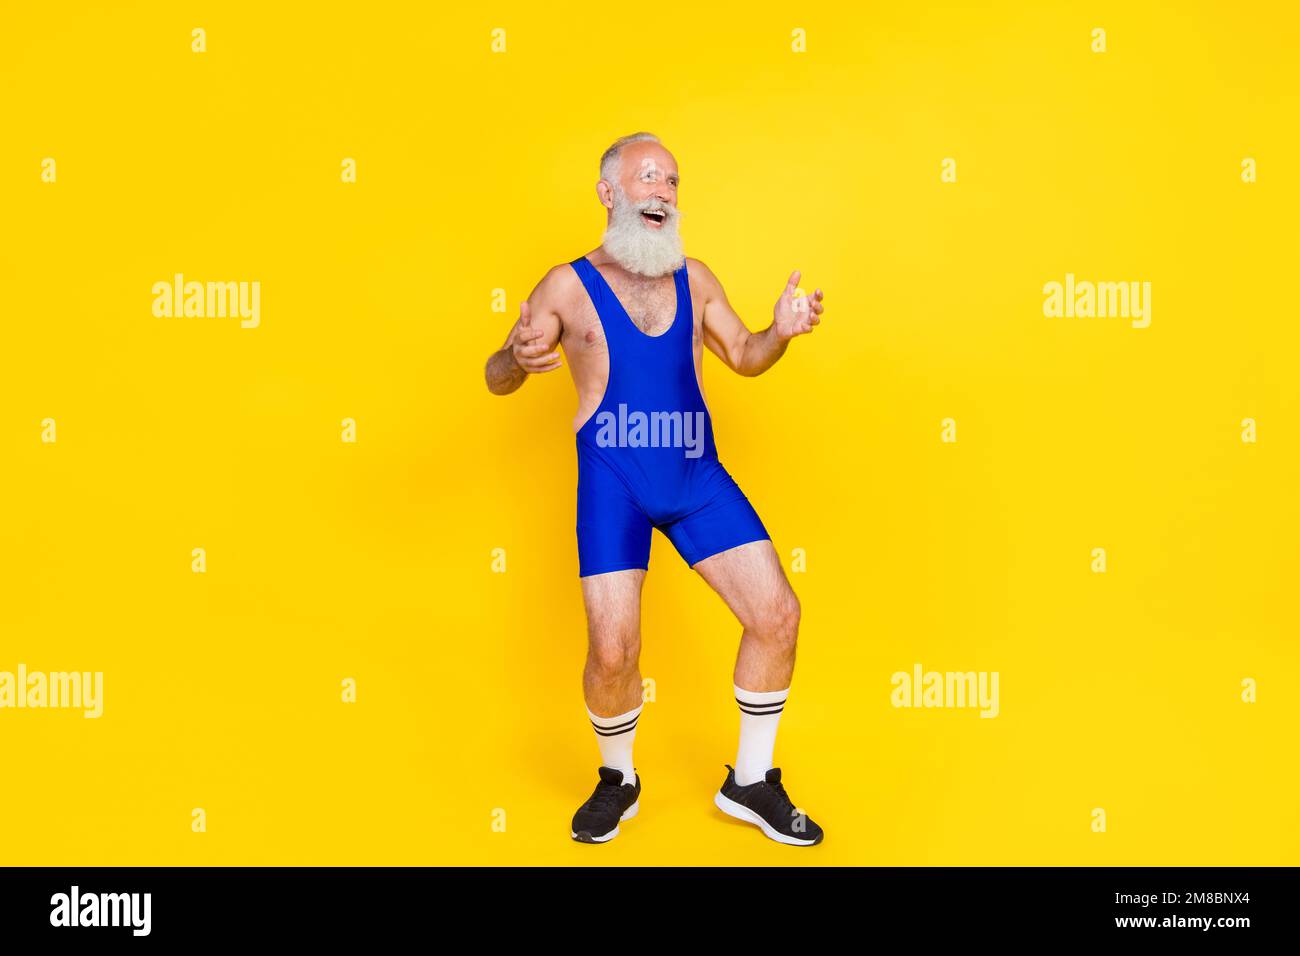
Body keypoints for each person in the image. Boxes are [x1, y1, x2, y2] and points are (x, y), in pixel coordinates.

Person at [484, 132, 826, 846]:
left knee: (778, 615)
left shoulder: (695, 278)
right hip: (614, 482)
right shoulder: (565, 286)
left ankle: (752, 782)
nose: (663, 193)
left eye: (672, 182)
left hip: (695, 475)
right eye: (647, 179)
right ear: (609, 193)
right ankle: (619, 780)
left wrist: (782, 331)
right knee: (613, 652)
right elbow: (497, 377)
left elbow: (748, 355)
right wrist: (513, 358)